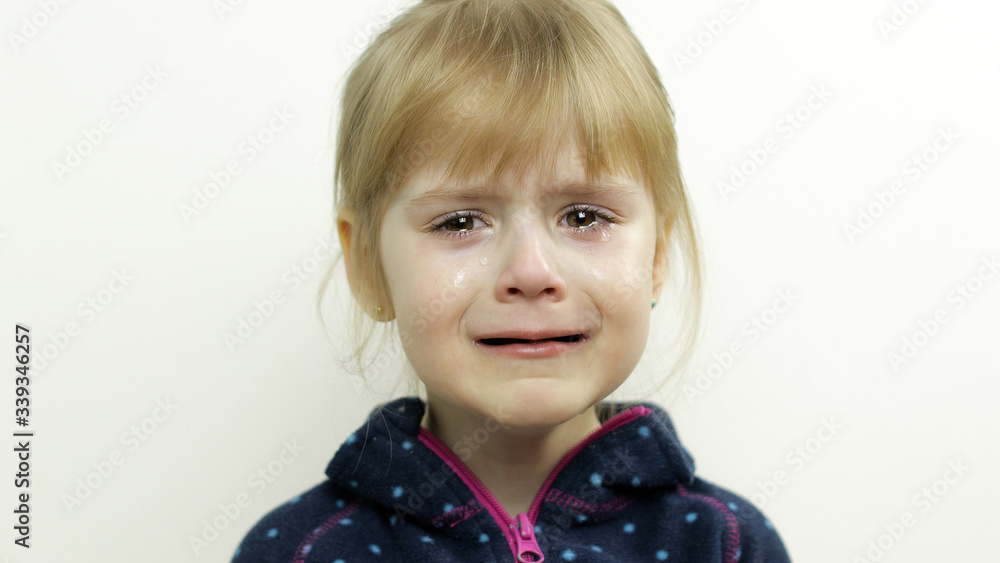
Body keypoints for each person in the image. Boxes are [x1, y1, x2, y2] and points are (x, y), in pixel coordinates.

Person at [233, 0, 792, 560]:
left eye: (583, 217)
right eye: (460, 222)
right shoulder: (301, 552)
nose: (531, 273)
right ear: (368, 266)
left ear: (655, 258)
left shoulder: (725, 545)